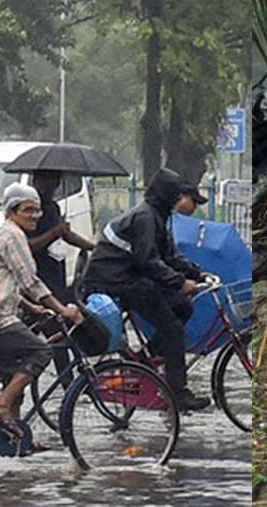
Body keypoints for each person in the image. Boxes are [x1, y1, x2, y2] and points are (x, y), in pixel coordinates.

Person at [0, 183, 82, 427]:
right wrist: (62, 309)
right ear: (11, 211)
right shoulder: (13, 236)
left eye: (37, 210)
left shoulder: (3, 233)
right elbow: (30, 281)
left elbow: (3, 283)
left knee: (15, 373)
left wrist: (33, 309)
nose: (34, 215)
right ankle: (1, 405)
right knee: (42, 352)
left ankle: (16, 434)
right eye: (28, 210)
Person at [82, 168, 210, 411]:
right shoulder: (145, 218)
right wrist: (180, 283)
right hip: (115, 278)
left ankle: (144, 358)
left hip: (127, 274)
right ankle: (178, 391)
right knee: (172, 330)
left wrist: (196, 273)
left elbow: (168, 255)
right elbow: (149, 261)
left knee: (182, 306)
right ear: (167, 195)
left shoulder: (158, 216)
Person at [27, 171, 95, 380]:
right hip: (34, 280)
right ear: (36, 182)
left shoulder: (53, 208)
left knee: (47, 331)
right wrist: (54, 233)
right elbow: (28, 246)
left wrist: (94, 247)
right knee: (57, 333)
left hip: (55, 276)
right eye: (44, 182)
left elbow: (67, 235)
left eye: (53, 183)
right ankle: (68, 384)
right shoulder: (29, 212)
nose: (49, 187)